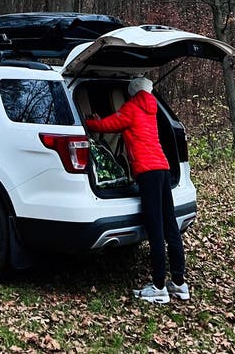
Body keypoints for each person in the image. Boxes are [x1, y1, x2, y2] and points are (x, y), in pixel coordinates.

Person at [86, 76, 189, 304]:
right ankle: (180, 284)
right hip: (162, 168)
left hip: (147, 172)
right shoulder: (151, 108)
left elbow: (108, 125)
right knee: (170, 226)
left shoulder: (131, 108)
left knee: (155, 228)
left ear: (132, 93)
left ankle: (159, 287)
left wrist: (90, 123)